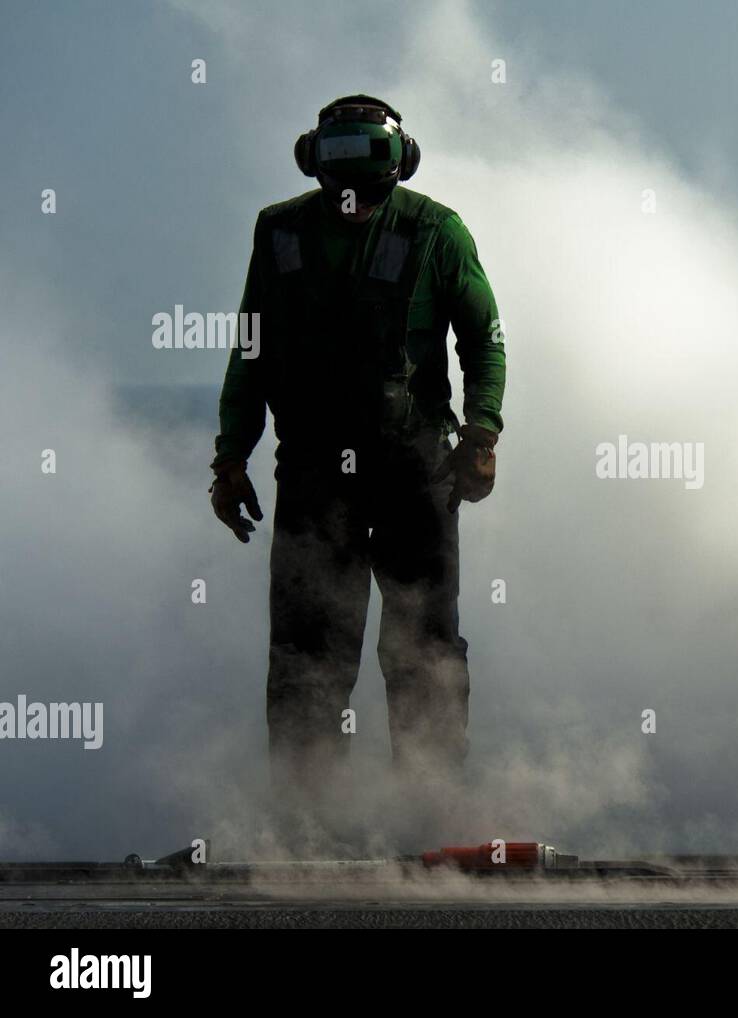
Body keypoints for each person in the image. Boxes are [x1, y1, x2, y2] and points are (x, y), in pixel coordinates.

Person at [209, 95, 505, 833]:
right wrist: (229, 455)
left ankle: (426, 817)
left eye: (367, 182)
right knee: (319, 650)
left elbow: (481, 341)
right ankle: (312, 824)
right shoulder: (279, 233)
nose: (352, 201)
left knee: (418, 645)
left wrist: (481, 434)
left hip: (403, 469)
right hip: (323, 474)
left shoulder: (435, 231)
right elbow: (251, 348)